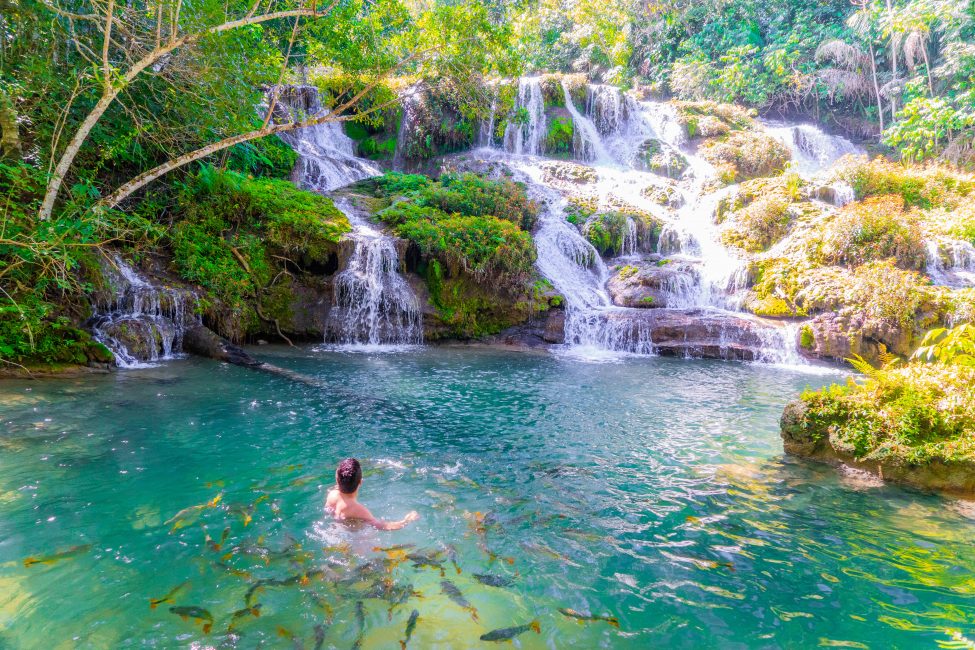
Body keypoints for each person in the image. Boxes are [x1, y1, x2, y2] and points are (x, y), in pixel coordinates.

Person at [325, 458, 419, 530]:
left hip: (334, 528)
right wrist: (407, 521)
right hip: (355, 539)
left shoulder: (331, 495)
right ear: (360, 482)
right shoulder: (360, 511)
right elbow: (384, 526)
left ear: (337, 480)